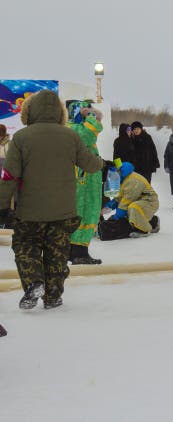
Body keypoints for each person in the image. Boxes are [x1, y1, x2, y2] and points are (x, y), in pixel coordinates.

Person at [0, 90, 103, 310]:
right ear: (59, 112)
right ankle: (53, 296)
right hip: (63, 211)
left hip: (30, 211)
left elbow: (9, 176)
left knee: (26, 247)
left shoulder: (21, 137)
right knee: (57, 253)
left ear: (30, 111)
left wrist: (2, 207)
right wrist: (101, 162)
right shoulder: (71, 136)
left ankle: (34, 282)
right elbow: (91, 165)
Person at [66, 102, 104, 265]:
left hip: (87, 178)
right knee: (85, 211)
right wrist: (91, 115)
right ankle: (78, 252)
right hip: (82, 180)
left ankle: (76, 250)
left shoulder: (75, 128)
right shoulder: (74, 128)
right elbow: (90, 133)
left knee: (88, 210)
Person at [105, 162, 160, 237]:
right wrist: (108, 206)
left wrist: (114, 220)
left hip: (149, 202)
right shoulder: (124, 179)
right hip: (140, 202)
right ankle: (153, 221)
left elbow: (124, 205)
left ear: (118, 172)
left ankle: (144, 230)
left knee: (133, 208)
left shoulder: (132, 181)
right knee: (131, 214)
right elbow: (119, 199)